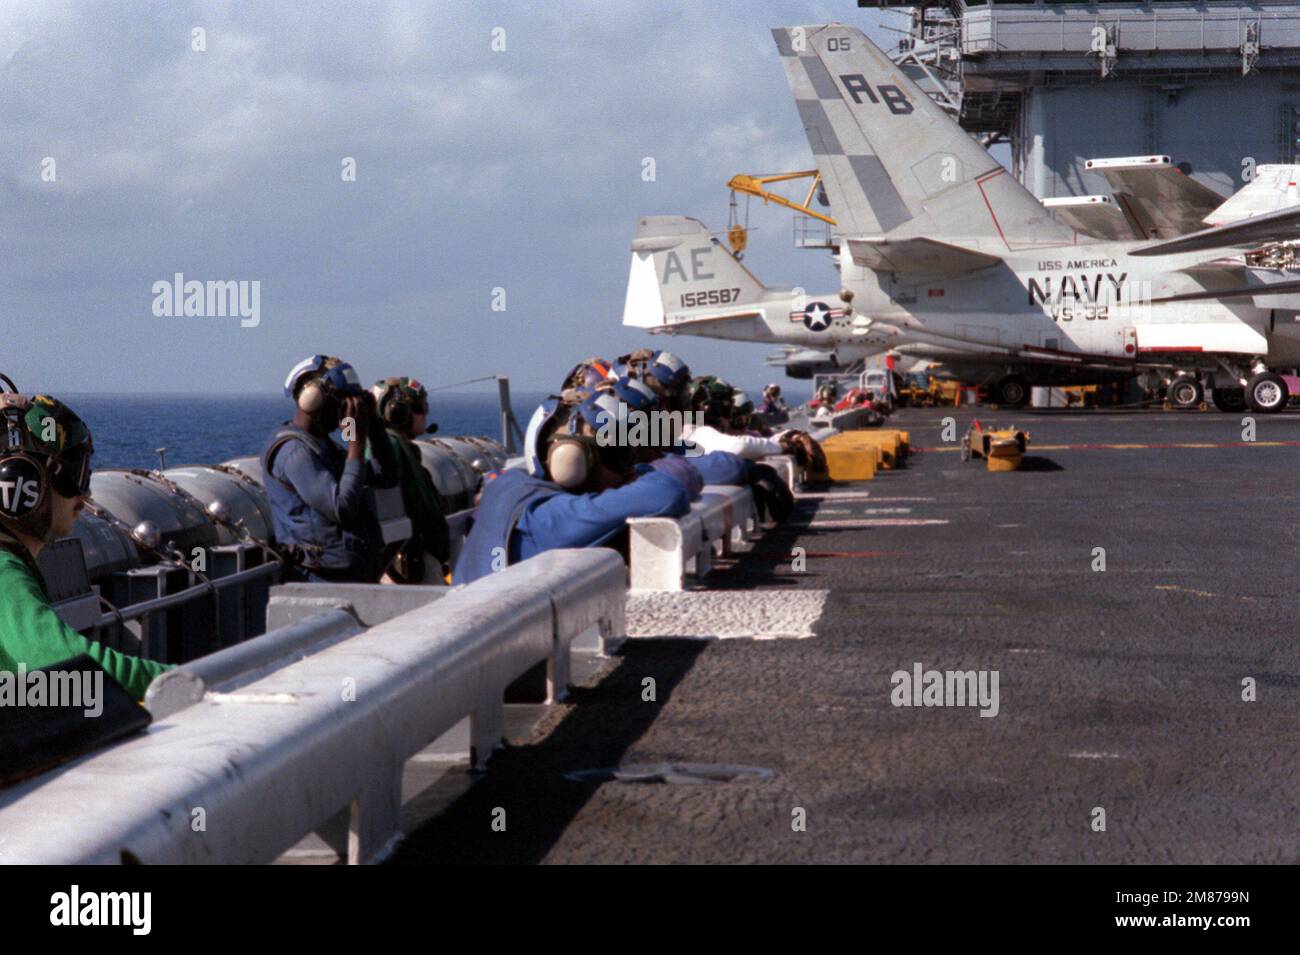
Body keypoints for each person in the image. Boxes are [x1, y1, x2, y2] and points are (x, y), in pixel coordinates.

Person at [0, 390, 170, 700]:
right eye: (75, 475)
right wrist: (186, 683)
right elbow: (66, 667)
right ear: (20, 478)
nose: (85, 495)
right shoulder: (3, 572)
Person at [454, 390, 701, 584]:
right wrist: (648, 472)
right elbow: (668, 493)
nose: (630, 466)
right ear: (576, 461)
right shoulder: (553, 518)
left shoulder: (510, 487)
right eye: (622, 455)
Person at [261, 355, 398, 583]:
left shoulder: (324, 445)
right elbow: (341, 508)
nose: (347, 411)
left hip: (351, 572)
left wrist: (373, 424)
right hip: (323, 578)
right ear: (313, 399)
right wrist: (356, 442)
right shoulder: (295, 451)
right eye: (341, 402)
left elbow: (386, 477)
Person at [371, 376, 450, 583]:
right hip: (409, 561)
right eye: (419, 407)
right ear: (398, 412)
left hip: (409, 557)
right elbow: (418, 504)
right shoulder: (390, 446)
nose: (425, 414)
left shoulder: (396, 446)